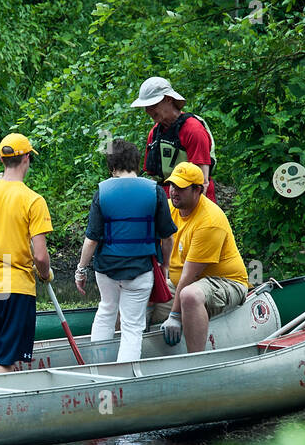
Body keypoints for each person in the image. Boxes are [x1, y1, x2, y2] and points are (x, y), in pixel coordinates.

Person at [75, 137, 176, 362]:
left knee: (106, 311)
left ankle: (98, 369)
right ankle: (124, 378)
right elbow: (167, 237)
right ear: (137, 164)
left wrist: (81, 270)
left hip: (106, 270)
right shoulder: (156, 191)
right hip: (141, 270)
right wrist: (165, 265)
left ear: (111, 167)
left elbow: (91, 240)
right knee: (132, 326)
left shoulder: (102, 191)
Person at [0, 133, 53, 375]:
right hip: (16, 287)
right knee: (6, 361)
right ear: (27, 158)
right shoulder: (33, 200)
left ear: (2, 160)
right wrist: (45, 274)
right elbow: (40, 256)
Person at [157, 162, 249, 353]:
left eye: (181, 188)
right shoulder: (167, 209)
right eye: (173, 185)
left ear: (198, 190)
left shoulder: (209, 221)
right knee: (138, 292)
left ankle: (196, 360)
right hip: (182, 283)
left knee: (189, 296)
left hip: (226, 282)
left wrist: (174, 315)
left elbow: (189, 277)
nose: (174, 191)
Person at [130, 76, 218, 203]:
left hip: (192, 202)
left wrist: (191, 215)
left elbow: (202, 182)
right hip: (166, 203)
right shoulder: (155, 133)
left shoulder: (193, 130)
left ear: (168, 99)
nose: (148, 111)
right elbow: (155, 178)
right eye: (146, 106)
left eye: (152, 105)